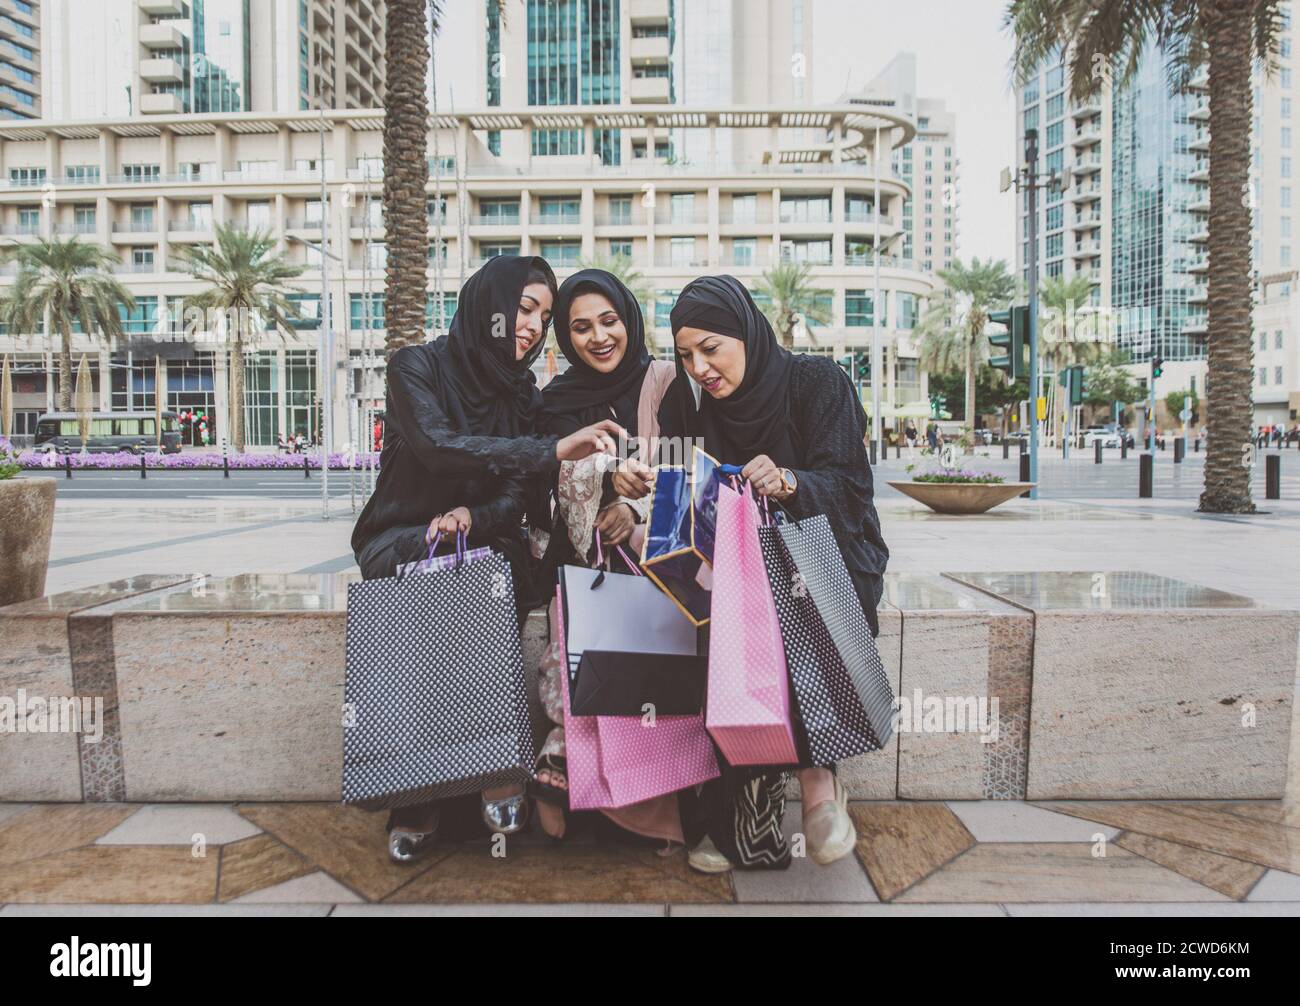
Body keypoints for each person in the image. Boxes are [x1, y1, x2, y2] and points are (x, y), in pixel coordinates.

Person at [349, 255, 625, 863]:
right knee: (430, 581)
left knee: (484, 572)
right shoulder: (415, 366)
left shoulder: (521, 394)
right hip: (399, 534)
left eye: (544, 317)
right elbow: (435, 446)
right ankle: (416, 790)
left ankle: (492, 763)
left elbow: (517, 494)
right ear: (490, 306)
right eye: (524, 309)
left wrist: (474, 516)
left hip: (484, 538)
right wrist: (550, 449)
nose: (531, 326)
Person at [619, 274, 889, 874]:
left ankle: (818, 782)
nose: (700, 367)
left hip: (823, 558)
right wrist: (640, 493)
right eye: (687, 355)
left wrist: (790, 483)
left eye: (711, 348)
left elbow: (851, 488)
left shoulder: (817, 383)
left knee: (778, 609)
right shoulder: (688, 405)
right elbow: (676, 495)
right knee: (723, 616)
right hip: (731, 569)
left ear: (745, 331)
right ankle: (747, 816)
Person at [533, 268, 680, 844]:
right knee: (580, 640)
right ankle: (564, 769)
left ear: (628, 318)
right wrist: (601, 484)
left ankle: (627, 789)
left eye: (609, 321)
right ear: (566, 339)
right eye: (581, 327)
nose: (598, 337)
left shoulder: (667, 383)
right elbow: (543, 481)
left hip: (657, 558)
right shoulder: (556, 401)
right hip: (586, 558)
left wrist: (638, 513)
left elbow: (691, 465)